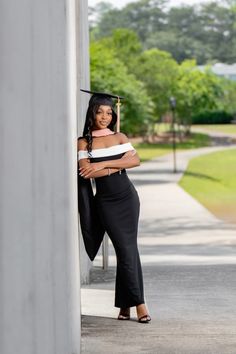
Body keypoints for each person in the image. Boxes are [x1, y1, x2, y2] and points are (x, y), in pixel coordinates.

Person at [77, 90, 151, 323]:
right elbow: (86, 171)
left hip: (128, 198)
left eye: (109, 113)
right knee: (126, 250)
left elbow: (136, 160)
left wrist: (106, 164)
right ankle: (138, 304)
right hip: (106, 204)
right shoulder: (83, 142)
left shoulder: (120, 137)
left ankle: (128, 307)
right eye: (100, 112)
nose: (105, 116)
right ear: (92, 113)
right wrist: (118, 164)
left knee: (127, 250)